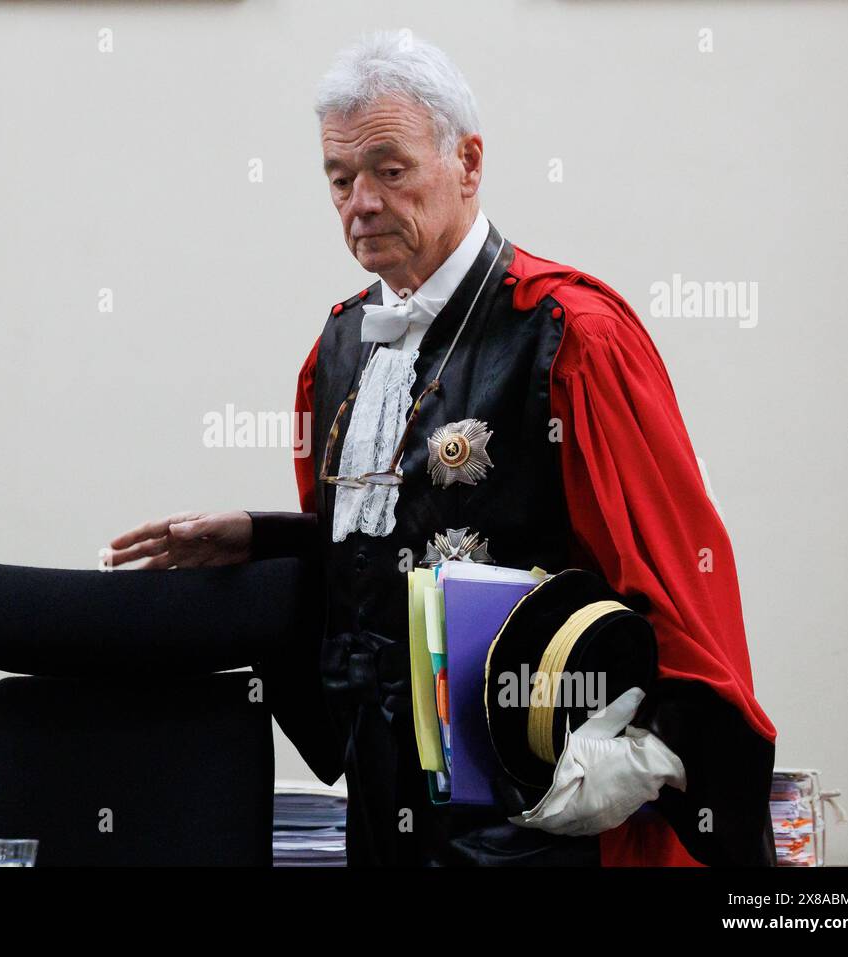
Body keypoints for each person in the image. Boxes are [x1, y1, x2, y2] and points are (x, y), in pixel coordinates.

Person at [107, 31, 775, 867]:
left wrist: (644, 754)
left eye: (390, 170)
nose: (361, 203)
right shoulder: (339, 350)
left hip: (545, 821)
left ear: (468, 161)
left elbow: (680, 579)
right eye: (340, 179)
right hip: (384, 813)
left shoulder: (571, 336)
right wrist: (270, 536)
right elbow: (385, 555)